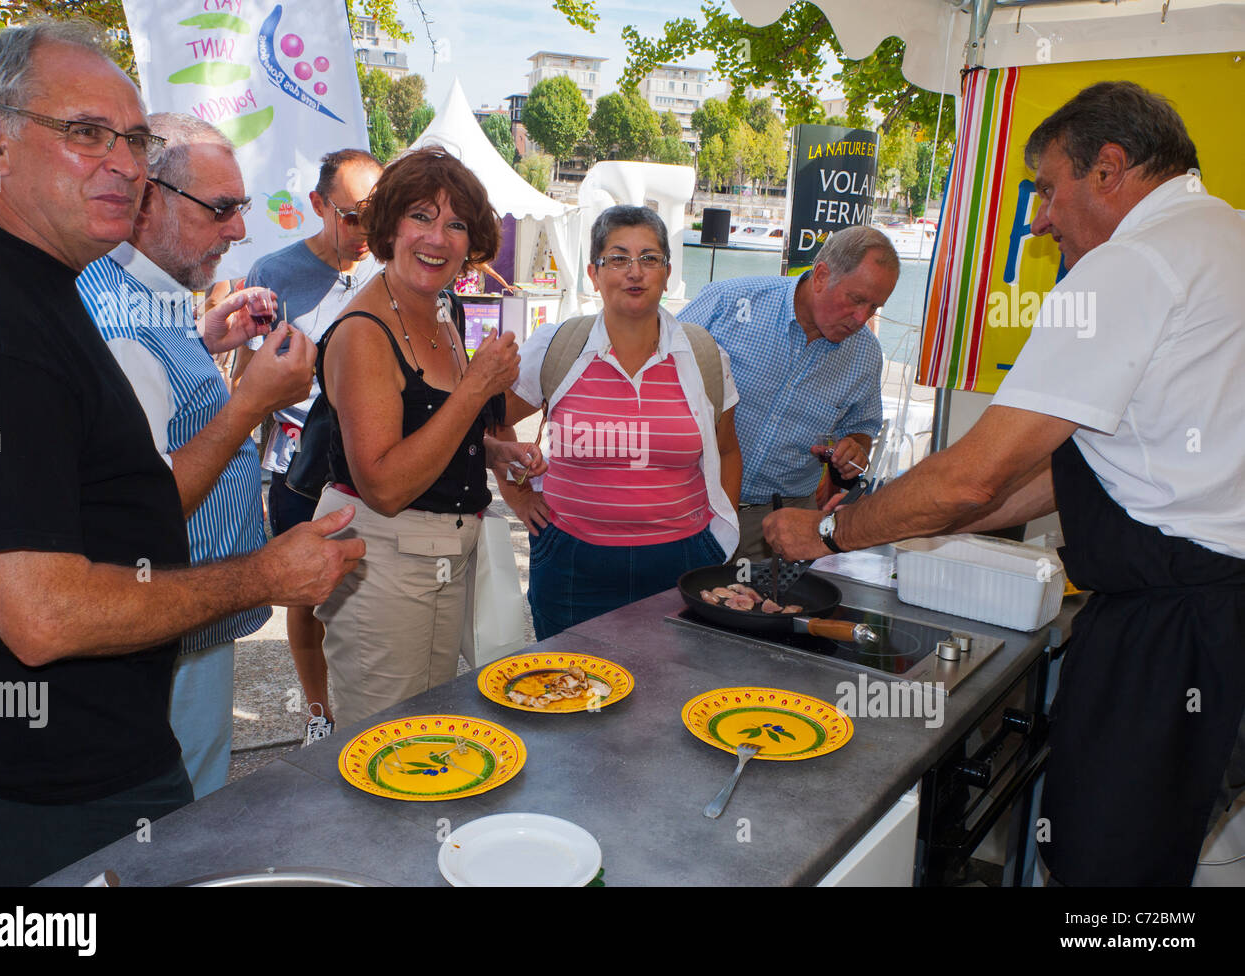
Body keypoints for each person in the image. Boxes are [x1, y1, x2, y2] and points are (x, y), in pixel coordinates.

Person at [764, 81, 1245, 886]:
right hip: (1216, 619)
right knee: (1159, 856)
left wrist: (832, 533)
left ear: (1110, 170)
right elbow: (1075, 469)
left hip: (1170, 632)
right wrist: (924, 527)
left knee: (1107, 872)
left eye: (1049, 189)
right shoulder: (1222, 235)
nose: (1041, 218)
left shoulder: (1130, 266)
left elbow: (977, 476)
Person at [0, 21, 363, 886]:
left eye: (133, 140)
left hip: (72, 763)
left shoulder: (27, 281)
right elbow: (44, 615)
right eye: (88, 133)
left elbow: (88, 487)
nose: (126, 165)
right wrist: (266, 575)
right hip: (43, 795)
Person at [76, 113, 315, 797]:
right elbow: (136, 505)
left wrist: (202, 340)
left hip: (181, 623)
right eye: (221, 209)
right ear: (147, 199)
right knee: (181, 813)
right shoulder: (121, 323)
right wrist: (251, 403)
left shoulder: (132, 294)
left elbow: (150, 404)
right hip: (165, 630)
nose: (239, 229)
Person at [311, 146, 541, 727]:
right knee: (387, 745)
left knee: (435, 733)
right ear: (389, 226)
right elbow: (384, 484)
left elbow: (425, 426)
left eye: (456, 224)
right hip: (385, 562)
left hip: (446, 557)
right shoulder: (364, 332)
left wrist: (489, 449)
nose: (437, 238)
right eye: (421, 216)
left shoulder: (442, 310)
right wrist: (477, 388)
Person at [499, 205, 742, 639]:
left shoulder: (703, 355)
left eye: (649, 258)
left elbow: (726, 450)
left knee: (672, 692)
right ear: (594, 273)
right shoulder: (557, 347)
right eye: (617, 258)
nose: (635, 271)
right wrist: (516, 497)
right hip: (573, 563)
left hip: (682, 563)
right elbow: (487, 421)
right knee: (569, 690)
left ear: (667, 273)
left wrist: (717, 546)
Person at [232, 148, 383, 744]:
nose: (365, 233)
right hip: (298, 466)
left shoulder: (395, 268)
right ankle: (319, 713)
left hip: (375, 464)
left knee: (375, 586)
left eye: (378, 216)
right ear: (318, 206)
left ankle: (368, 710)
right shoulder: (275, 272)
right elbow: (249, 382)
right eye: (351, 216)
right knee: (306, 594)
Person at [679, 226, 898, 562]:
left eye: (874, 308)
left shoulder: (866, 354)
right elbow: (653, 373)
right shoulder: (728, 303)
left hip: (777, 525)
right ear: (822, 275)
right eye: (856, 300)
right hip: (688, 501)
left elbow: (862, 427)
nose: (861, 318)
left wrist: (852, 449)